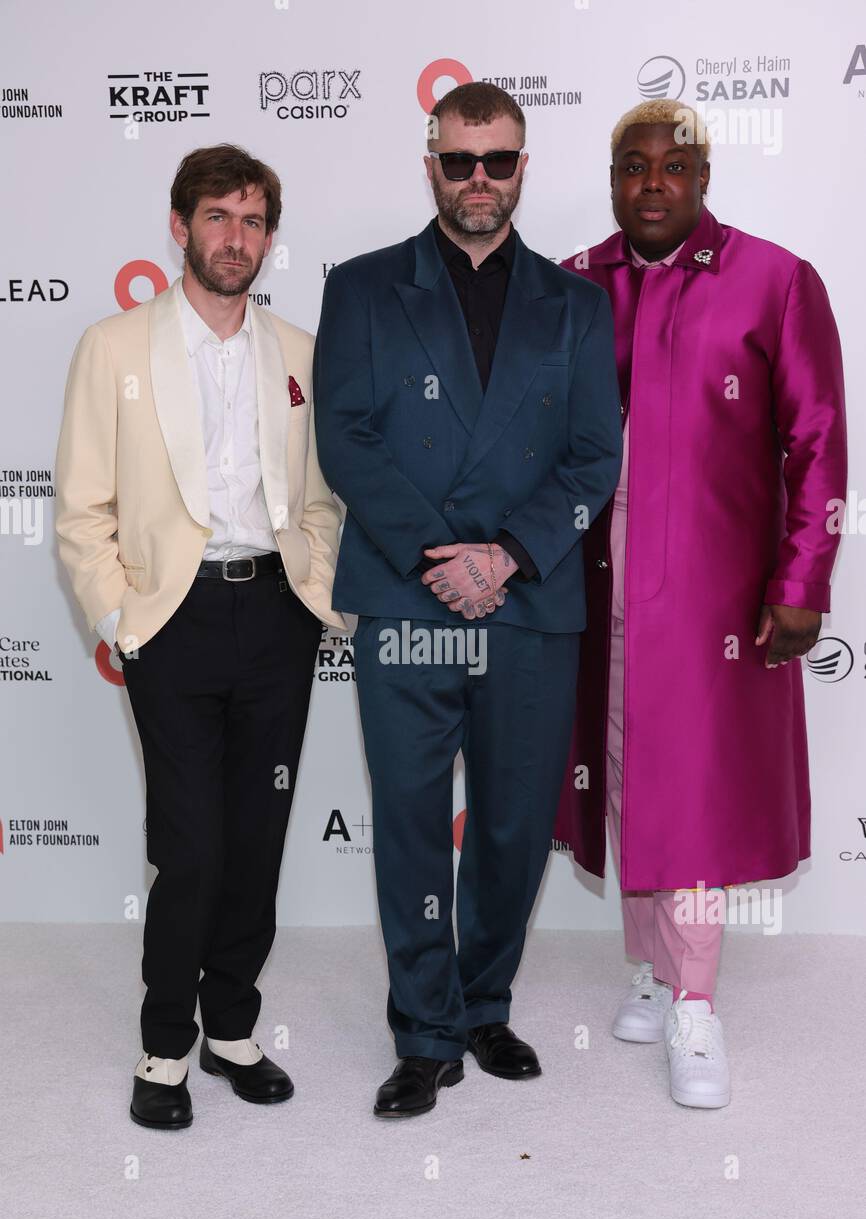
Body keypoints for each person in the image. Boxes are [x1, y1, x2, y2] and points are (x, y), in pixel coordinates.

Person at [314, 81, 621, 1118]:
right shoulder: (360, 288)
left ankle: (483, 1002)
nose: (477, 178)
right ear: (430, 163)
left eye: (497, 160)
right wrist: (437, 557)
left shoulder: (576, 304)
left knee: (507, 824)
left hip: (528, 604)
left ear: (522, 167)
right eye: (459, 160)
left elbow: (591, 459)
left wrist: (505, 558)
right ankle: (424, 1030)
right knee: (408, 821)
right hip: (408, 599)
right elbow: (343, 437)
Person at [554, 100, 847, 1108]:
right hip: (596, 587)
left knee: (696, 793)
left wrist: (802, 581)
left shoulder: (772, 280)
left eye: (670, 166)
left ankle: (694, 1002)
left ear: (701, 176)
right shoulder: (574, 286)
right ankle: (646, 967)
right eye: (630, 166)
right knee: (625, 779)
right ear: (610, 179)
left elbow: (814, 440)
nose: (649, 182)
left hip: (714, 598)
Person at [55, 144, 344, 1129]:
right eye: (218, 217)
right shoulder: (116, 348)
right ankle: (163, 1040)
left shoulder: (301, 352)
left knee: (258, 833)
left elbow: (322, 499)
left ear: (270, 236)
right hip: (169, 622)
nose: (237, 238)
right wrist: (120, 621)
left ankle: (231, 1028)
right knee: (189, 842)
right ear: (179, 227)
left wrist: (312, 587)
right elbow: (80, 507)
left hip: (274, 616)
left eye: (254, 220)